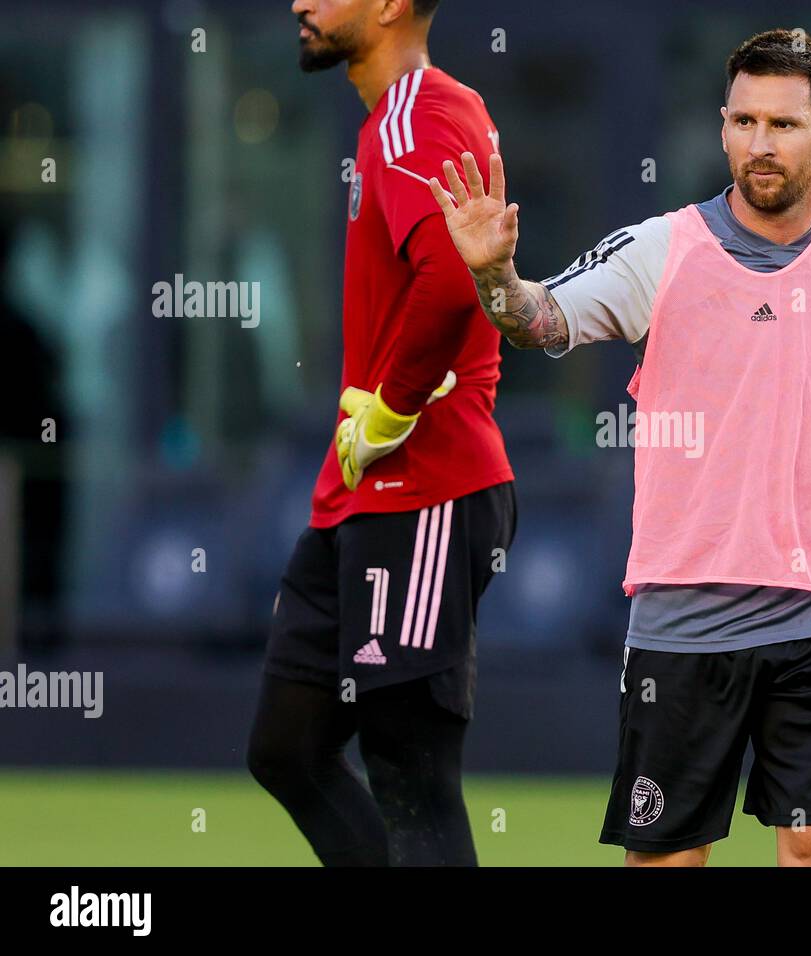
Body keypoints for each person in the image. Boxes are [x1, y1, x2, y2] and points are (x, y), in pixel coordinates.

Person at [430, 28, 811, 866]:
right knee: (667, 859)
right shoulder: (661, 250)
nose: (760, 145)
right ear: (723, 125)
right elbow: (537, 320)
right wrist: (492, 277)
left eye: (784, 125)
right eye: (744, 121)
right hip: (684, 615)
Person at [246, 0, 516, 866]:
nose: (300, 4)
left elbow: (449, 277)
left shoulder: (415, 114)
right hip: (362, 490)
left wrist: (394, 408)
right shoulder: (393, 122)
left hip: (425, 483)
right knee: (286, 749)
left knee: (412, 775)